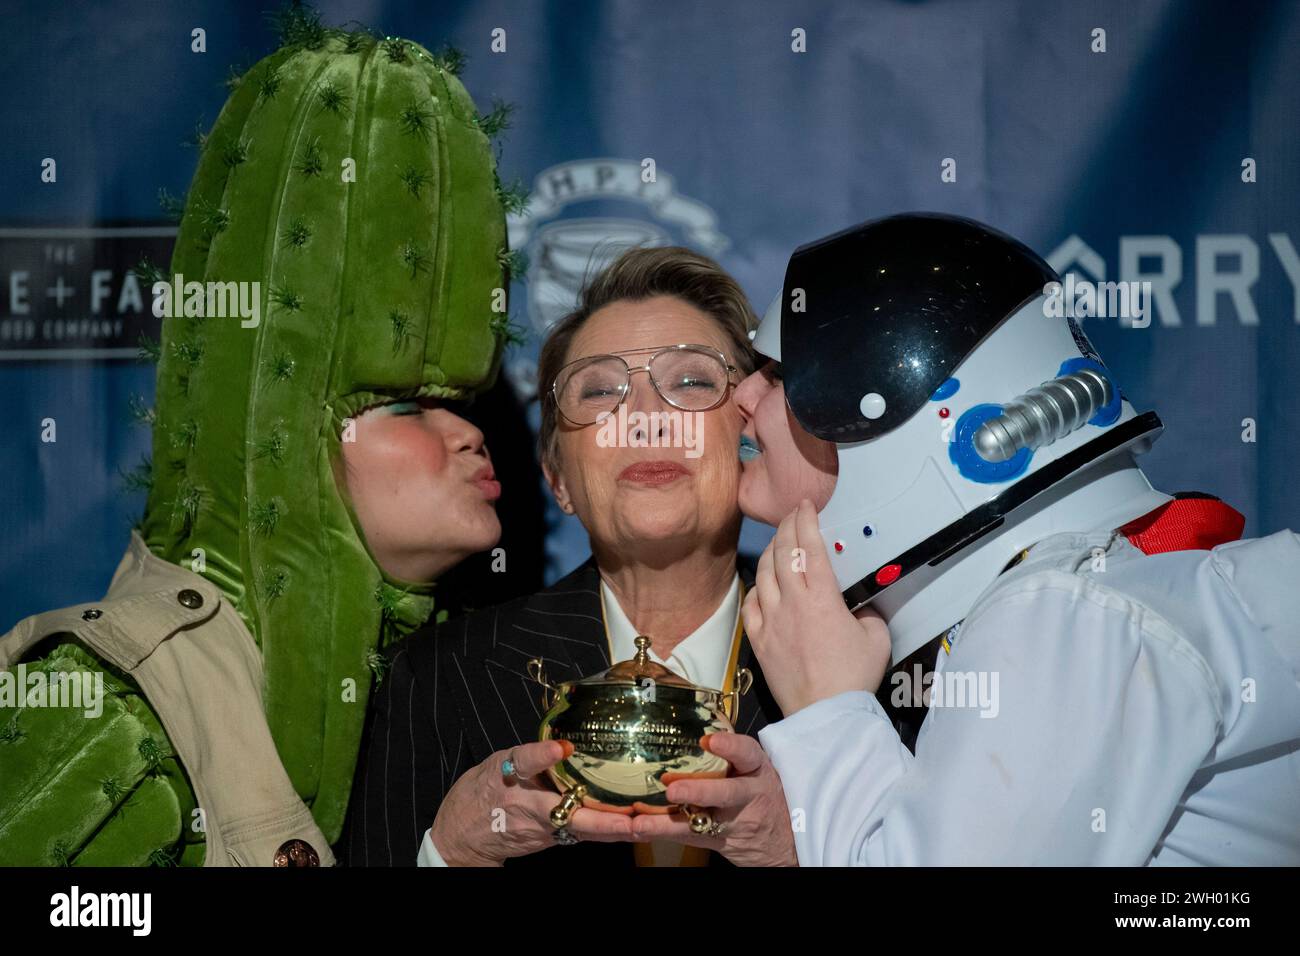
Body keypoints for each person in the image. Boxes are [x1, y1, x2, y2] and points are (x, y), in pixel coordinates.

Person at [0, 23, 515, 866]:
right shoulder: (105, 718)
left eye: (465, 402)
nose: (467, 433)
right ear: (286, 433)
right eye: (404, 406)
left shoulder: (443, 689)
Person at [669, 212, 1300, 865]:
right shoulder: (1099, 607)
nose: (741, 393)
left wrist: (828, 709)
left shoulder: (1062, 619)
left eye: (778, 375)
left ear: (903, 426)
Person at [344, 245, 798, 867]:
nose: (644, 418)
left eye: (691, 380)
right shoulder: (433, 680)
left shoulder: (856, 666)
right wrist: (449, 854)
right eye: (599, 391)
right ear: (558, 478)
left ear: (751, 435)